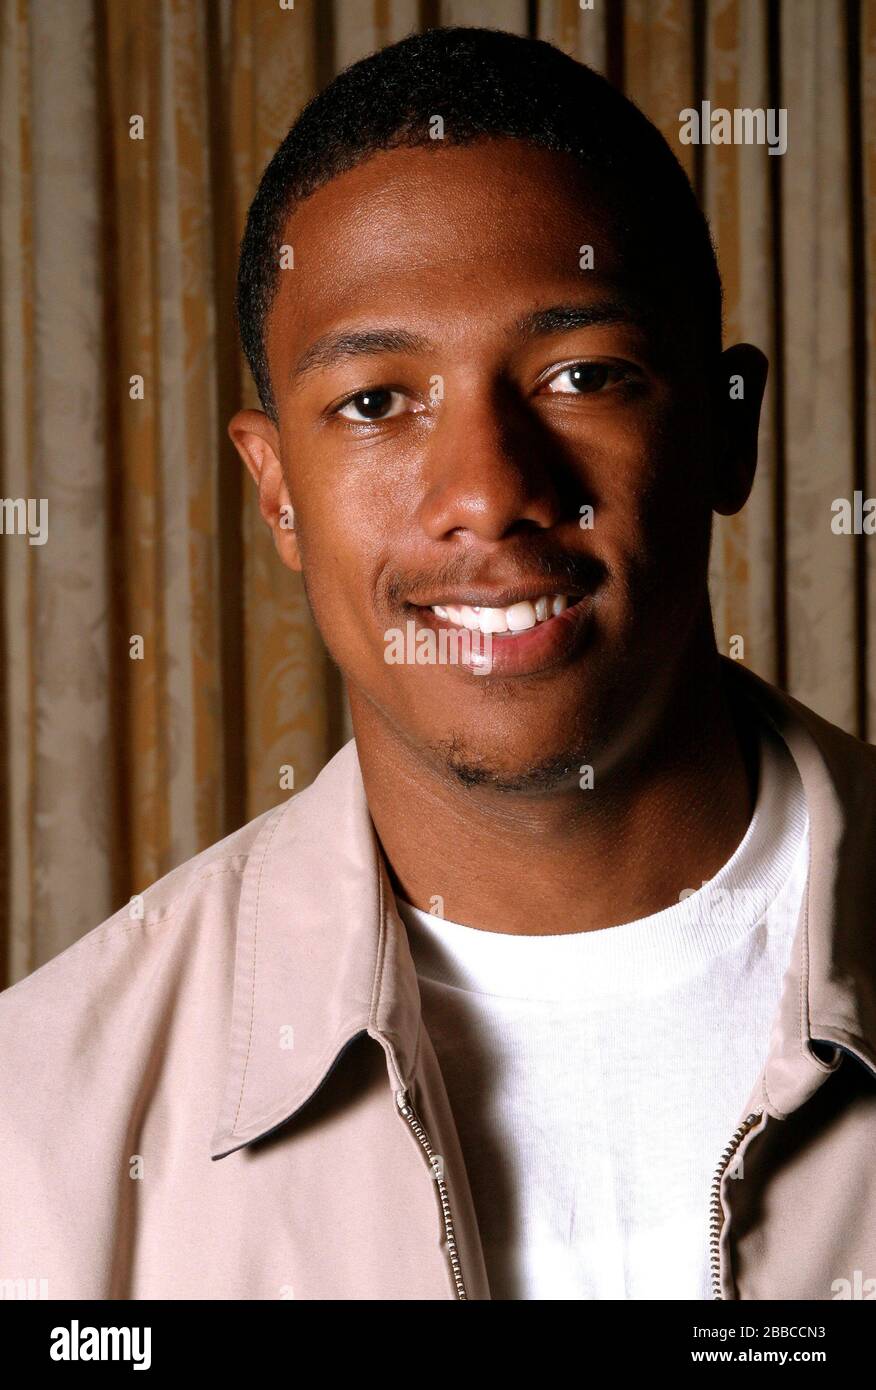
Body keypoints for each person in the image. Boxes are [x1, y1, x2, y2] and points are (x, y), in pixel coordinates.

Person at [2, 25, 875, 1303]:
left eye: (583, 375)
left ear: (727, 430)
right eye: (375, 401)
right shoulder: (41, 1120)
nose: (488, 493)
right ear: (276, 490)